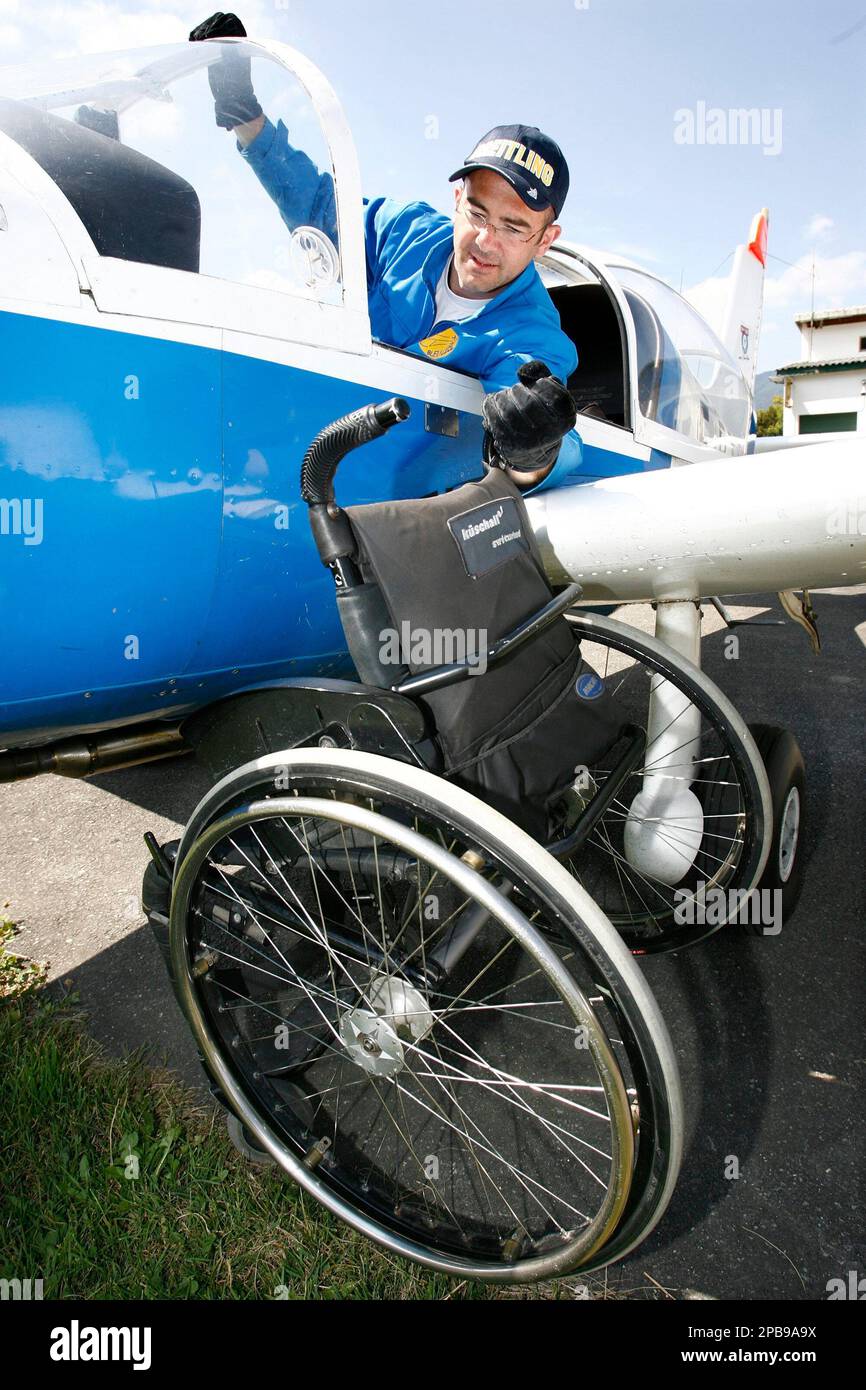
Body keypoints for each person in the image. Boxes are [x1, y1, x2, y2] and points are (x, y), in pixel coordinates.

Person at [190, 13, 580, 486]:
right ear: (457, 200)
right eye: (477, 214)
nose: (485, 241)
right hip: (319, 445)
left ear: (545, 240)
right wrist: (246, 118)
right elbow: (316, 204)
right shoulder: (405, 229)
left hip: (398, 500)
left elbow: (543, 437)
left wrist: (533, 452)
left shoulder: (531, 336)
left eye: (514, 228)